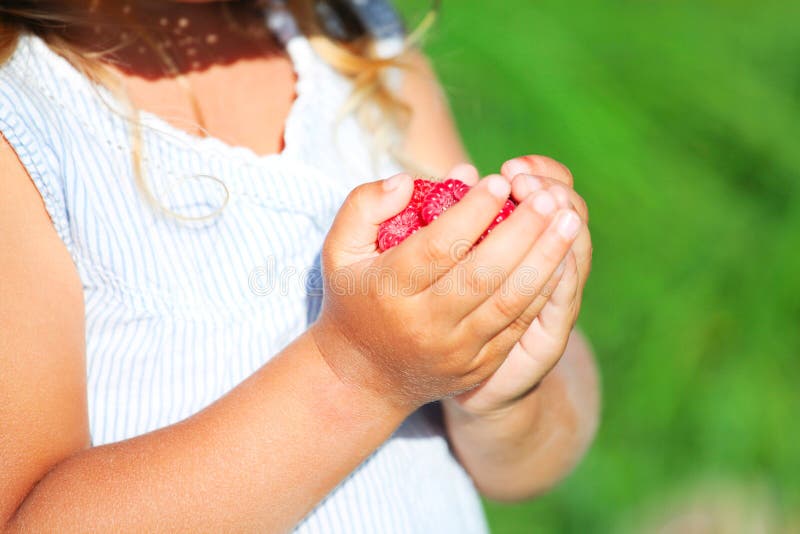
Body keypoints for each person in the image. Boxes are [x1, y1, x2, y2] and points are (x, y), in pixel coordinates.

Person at [0, 0, 599, 531]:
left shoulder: (354, 39)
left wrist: (500, 388)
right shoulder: (23, 130)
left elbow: (531, 464)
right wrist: (358, 373)